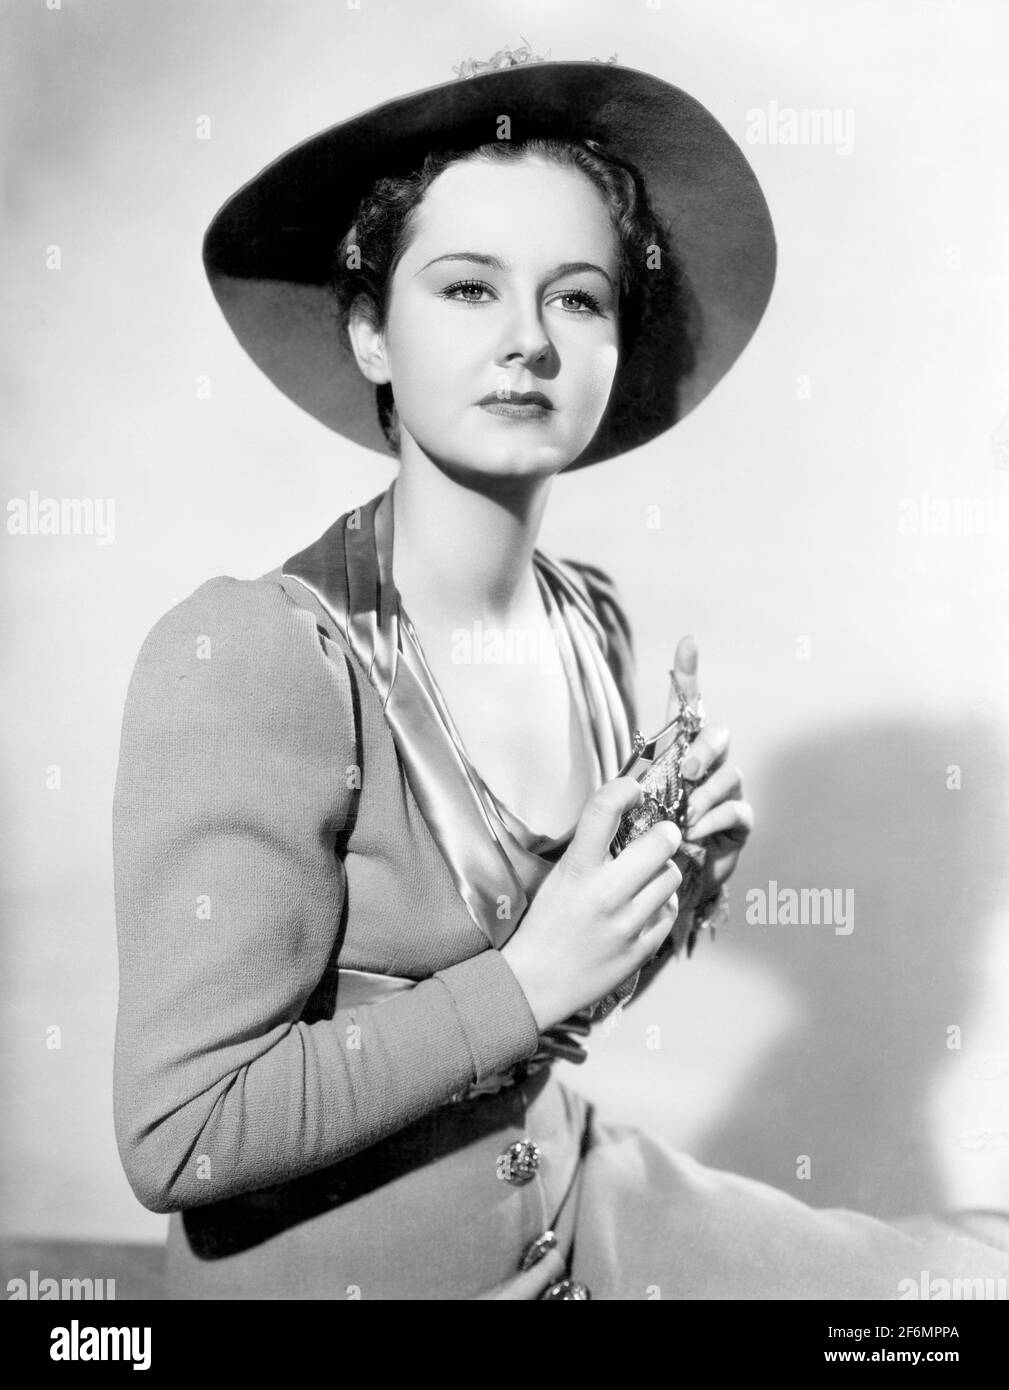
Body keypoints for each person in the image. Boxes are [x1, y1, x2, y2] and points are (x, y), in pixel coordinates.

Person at [112, 49, 1009, 1300]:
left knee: (960, 1282)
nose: (528, 340)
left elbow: (560, 990)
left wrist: (665, 891)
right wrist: (533, 978)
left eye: (578, 298)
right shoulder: (257, 655)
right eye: (468, 287)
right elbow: (182, 1130)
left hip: (579, 1201)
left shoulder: (592, 620)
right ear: (371, 328)